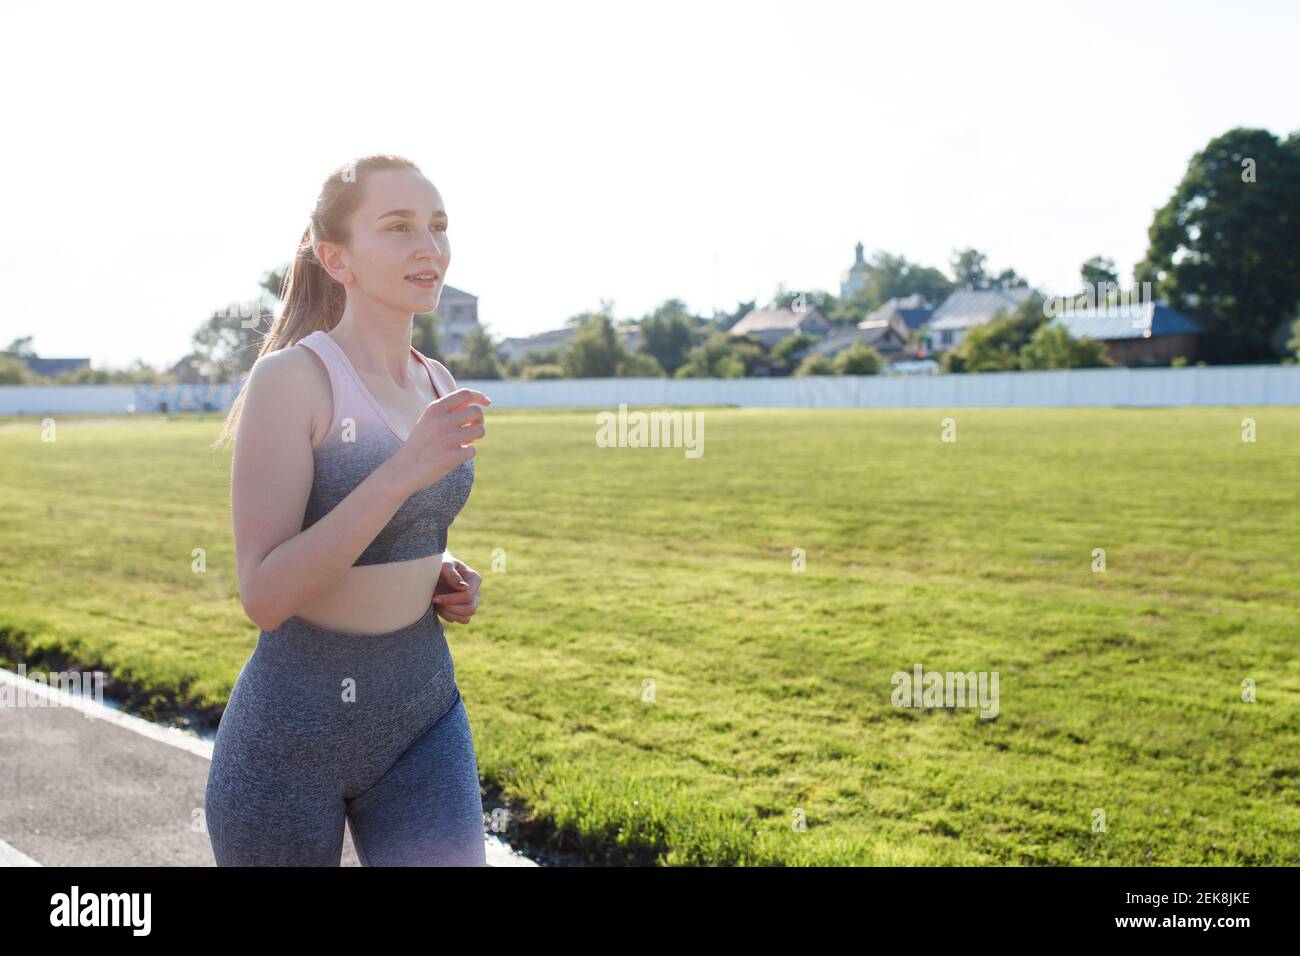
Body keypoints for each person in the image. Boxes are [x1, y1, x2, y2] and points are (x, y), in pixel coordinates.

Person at [204, 154, 492, 866]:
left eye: (438, 226)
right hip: (291, 737)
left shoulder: (438, 380)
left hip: (422, 718)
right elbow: (266, 595)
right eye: (397, 228)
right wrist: (400, 473)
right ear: (337, 258)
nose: (428, 247)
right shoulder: (292, 380)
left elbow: (401, 527)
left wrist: (438, 568)